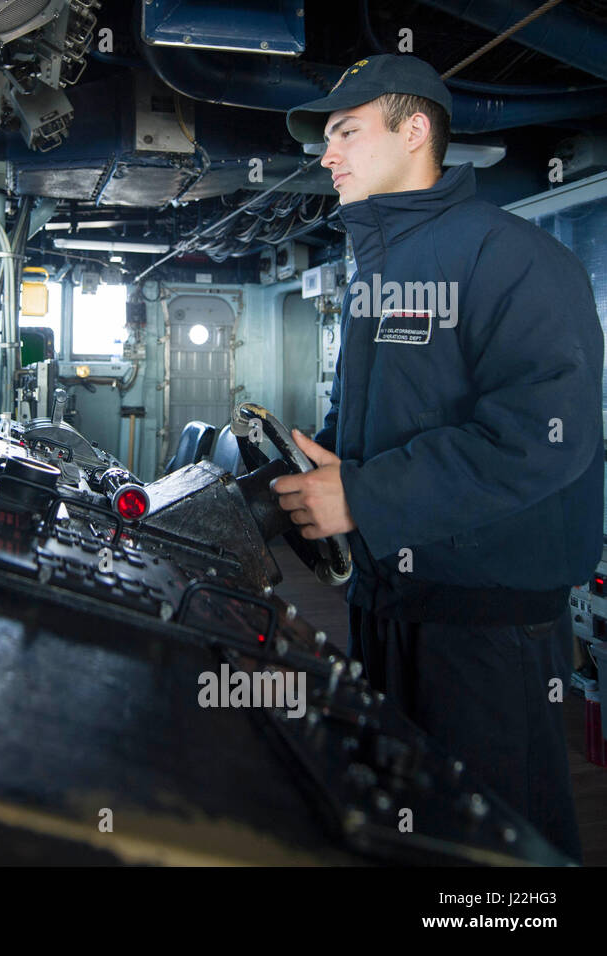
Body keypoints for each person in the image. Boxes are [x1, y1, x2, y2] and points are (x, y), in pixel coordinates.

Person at [272, 53, 603, 864]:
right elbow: (373, 420)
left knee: (497, 839)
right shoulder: (375, 270)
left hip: (485, 627)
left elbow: (540, 438)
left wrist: (365, 498)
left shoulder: (511, 258)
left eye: (346, 130)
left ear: (414, 130)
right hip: (388, 606)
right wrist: (323, 466)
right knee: (412, 824)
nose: (327, 153)